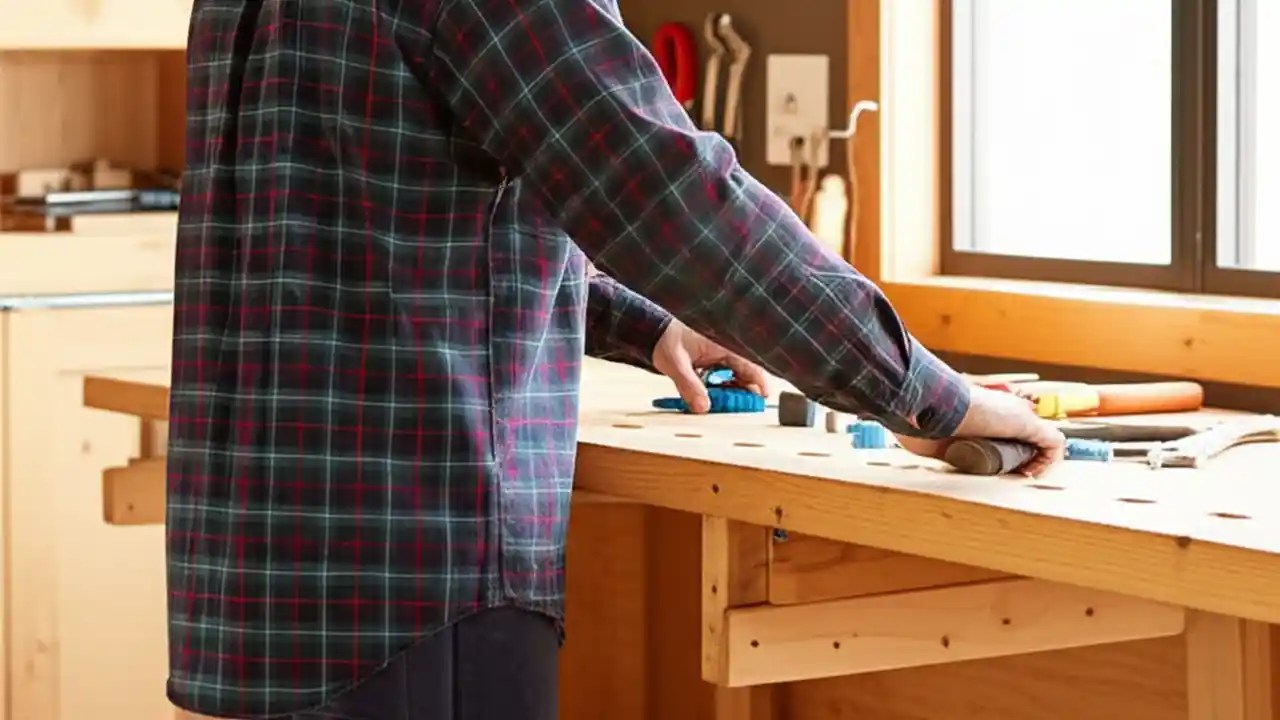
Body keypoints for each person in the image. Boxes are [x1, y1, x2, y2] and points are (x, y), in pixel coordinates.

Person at [165, 1, 1066, 718]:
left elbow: (372, 230)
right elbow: (680, 203)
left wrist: (647, 326)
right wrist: (926, 396)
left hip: (250, 594)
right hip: (412, 594)